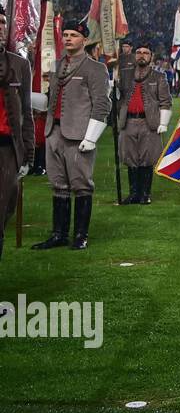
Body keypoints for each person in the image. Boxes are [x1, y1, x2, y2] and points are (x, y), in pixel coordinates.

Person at [33, 19, 110, 252]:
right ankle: (59, 234)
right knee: (58, 185)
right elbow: (50, 99)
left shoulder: (96, 68)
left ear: (84, 40)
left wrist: (91, 137)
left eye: (73, 35)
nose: (67, 38)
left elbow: (101, 105)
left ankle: (80, 235)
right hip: (53, 131)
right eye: (65, 34)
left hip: (78, 135)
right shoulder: (57, 66)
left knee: (81, 186)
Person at [115, 39, 172, 204]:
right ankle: (134, 194)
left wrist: (163, 123)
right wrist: (112, 83)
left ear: (151, 57)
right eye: (139, 52)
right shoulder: (125, 75)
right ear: (134, 55)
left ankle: (145, 194)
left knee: (147, 158)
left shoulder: (159, 76)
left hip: (149, 122)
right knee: (130, 158)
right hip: (129, 121)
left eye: (145, 53)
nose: (142, 56)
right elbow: (117, 95)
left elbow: (165, 101)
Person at [0, 4, 36, 261]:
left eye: (2, 22)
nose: (0, 28)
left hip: (6, 150)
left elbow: (27, 113)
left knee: (1, 216)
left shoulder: (20, 65)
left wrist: (29, 154)